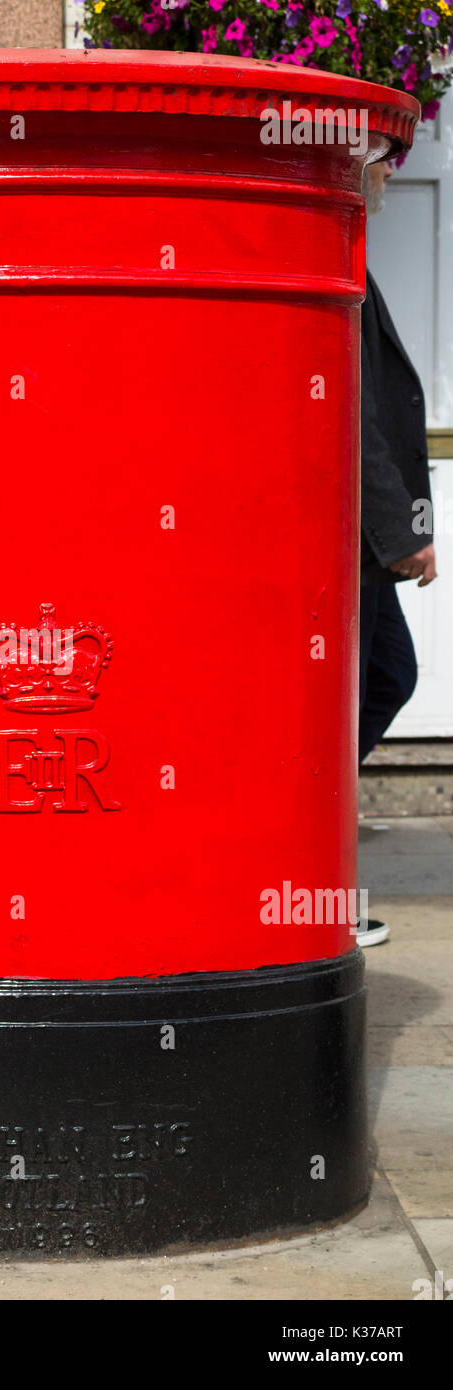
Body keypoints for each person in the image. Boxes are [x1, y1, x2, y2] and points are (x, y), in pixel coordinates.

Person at [357, 156, 437, 948]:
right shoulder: (329, 255)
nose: (385, 178)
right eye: (377, 166)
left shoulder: (345, 254)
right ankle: (292, 871)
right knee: (357, 691)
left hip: (358, 543)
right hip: (345, 541)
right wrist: (404, 531)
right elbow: (357, 417)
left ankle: (291, 853)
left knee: (388, 676)